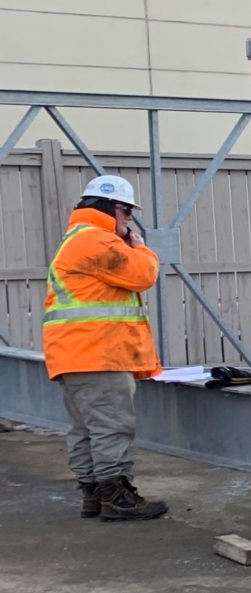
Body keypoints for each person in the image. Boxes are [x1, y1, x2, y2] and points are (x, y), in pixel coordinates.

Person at [45, 175, 168, 521]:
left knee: (85, 428)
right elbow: (143, 274)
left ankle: (94, 494)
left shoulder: (76, 238)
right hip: (99, 354)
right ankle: (117, 498)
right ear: (111, 208)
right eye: (127, 212)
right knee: (112, 426)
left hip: (75, 354)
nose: (129, 220)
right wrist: (140, 247)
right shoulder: (96, 240)